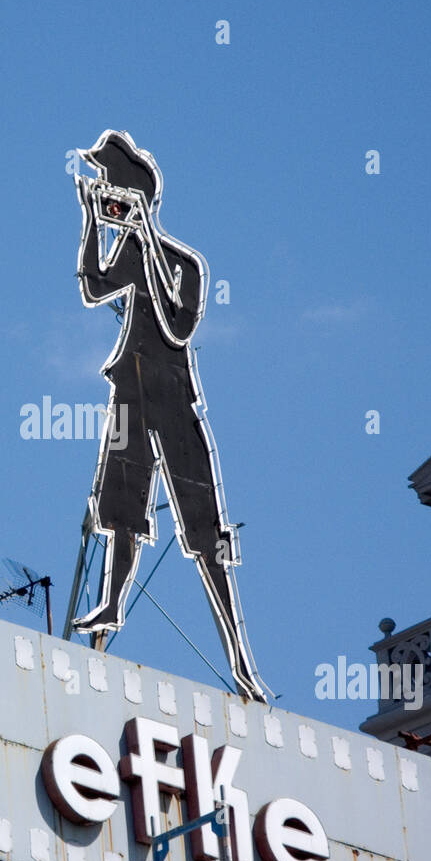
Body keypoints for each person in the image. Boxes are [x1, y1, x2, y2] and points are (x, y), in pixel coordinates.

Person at [70, 130, 269, 704]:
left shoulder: (181, 263)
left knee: (205, 532)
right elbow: (92, 288)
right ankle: (110, 600)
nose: (110, 196)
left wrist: (147, 240)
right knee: (120, 509)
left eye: (114, 189)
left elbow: (178, 324)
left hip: (175, 400)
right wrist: (91, 222)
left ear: (139, 196)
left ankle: (238, 659)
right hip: (130, 389)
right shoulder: (129, 252)